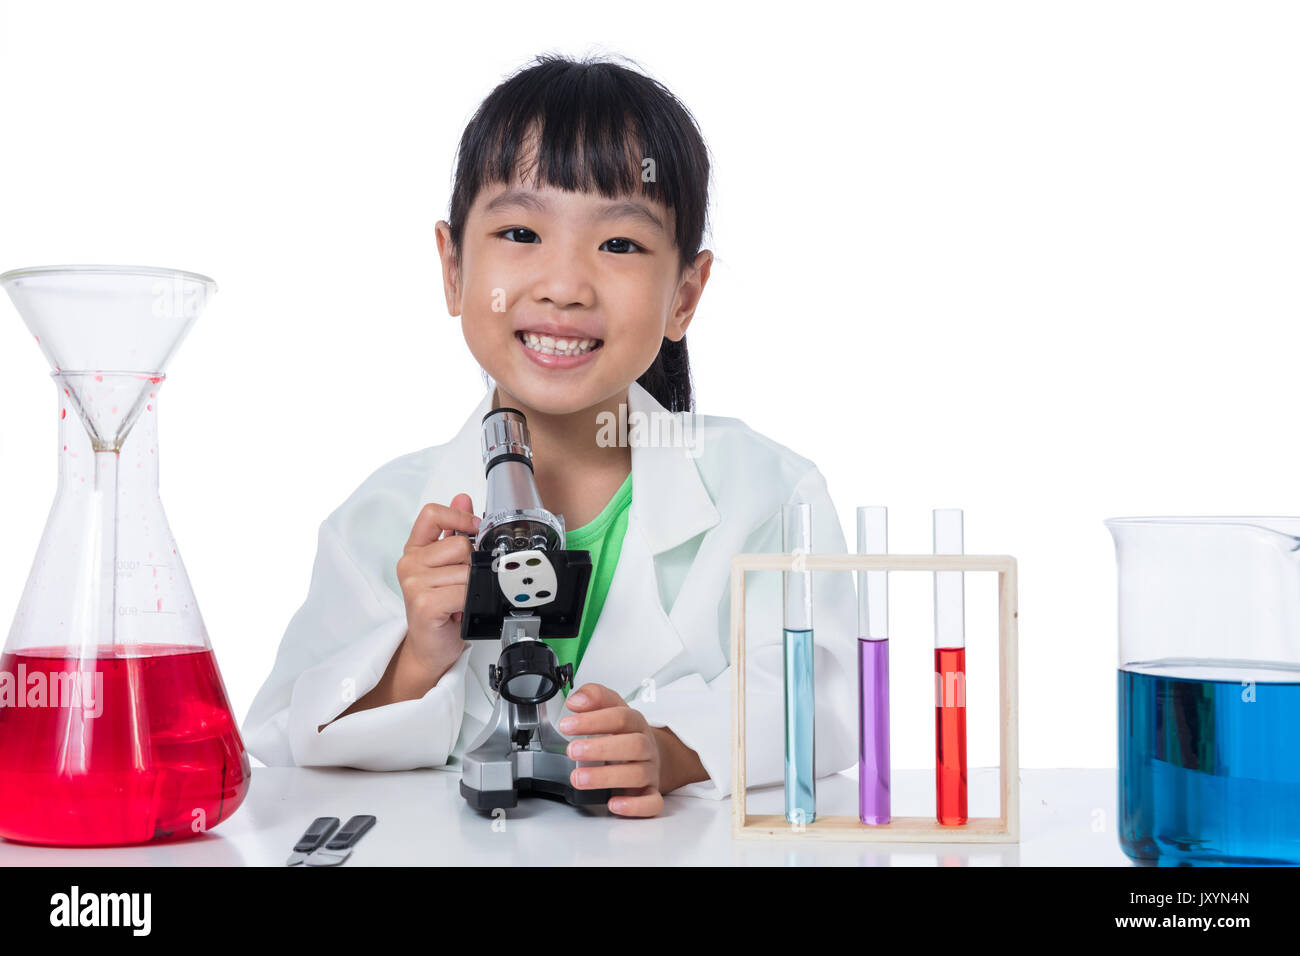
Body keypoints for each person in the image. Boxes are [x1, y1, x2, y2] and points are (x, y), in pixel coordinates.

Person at [244, 53, 858, 818]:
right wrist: (417, 655)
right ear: (453, 268)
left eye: (621, 245)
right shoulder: (382, 518)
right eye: (520, 231)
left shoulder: (766, 493)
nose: (564, 285)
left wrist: (671, 749)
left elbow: (828, 701)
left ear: (685, 296)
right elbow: (287, 735)